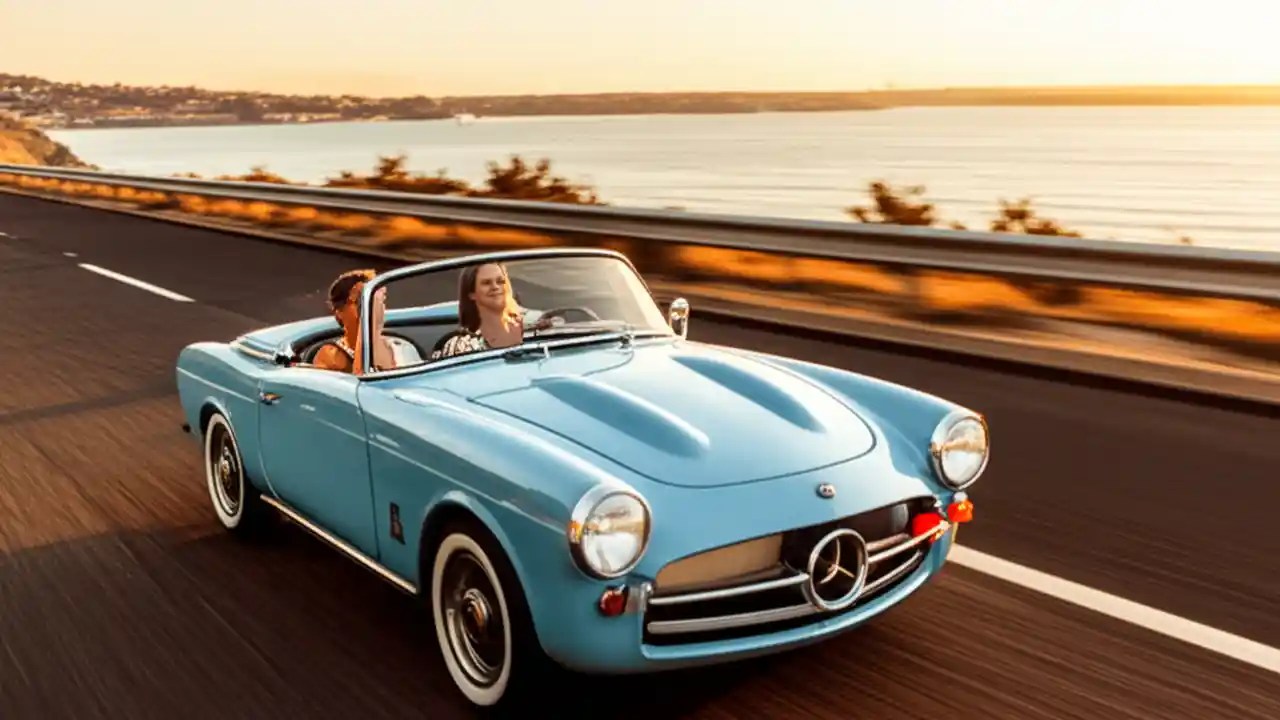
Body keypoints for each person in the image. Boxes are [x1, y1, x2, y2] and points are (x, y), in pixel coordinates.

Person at [431, 262, 547, 360]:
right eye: (486, 283)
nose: (495, 287)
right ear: (472, 294)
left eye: (501, 281)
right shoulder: (461, 345)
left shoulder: (537, 328)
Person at [312, 268, 396, 373]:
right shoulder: (329, 355)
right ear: (339, 312)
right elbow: (361, 382)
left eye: (373, 302)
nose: (366, 309)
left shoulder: (388, 347)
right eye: (358, 302)